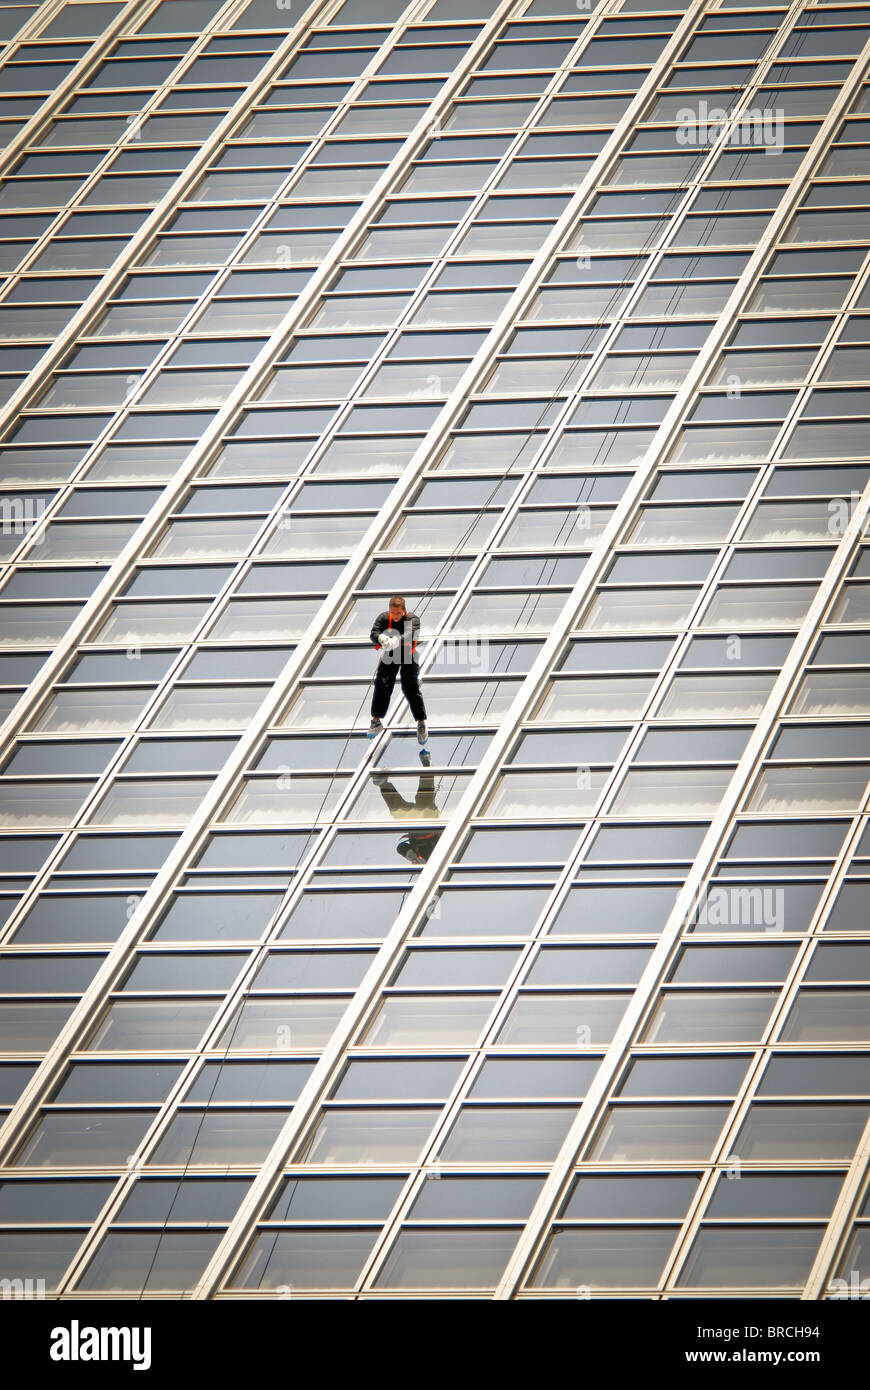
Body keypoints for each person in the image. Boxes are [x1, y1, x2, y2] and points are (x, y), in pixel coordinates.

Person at [368, 594, 429, 761]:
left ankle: (421, 722)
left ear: (404, 610)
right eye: (393, 614)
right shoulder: (383, 618)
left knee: (409, 687)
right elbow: (374, 632)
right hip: (390, 656)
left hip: (409, 655)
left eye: (398, 614)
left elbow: (410, 634)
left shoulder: (412, 619)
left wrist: (396, 640)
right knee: (382, 684)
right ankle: (376, 720)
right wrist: (379, 638)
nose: (395, 617)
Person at [372, 767, 443, 864]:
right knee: (425, 802)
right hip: (428, 825)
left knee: (398, 811)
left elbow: (401, 847)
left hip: (416, 828)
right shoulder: (439, 855)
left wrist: (412, 857)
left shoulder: (420, 858)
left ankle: (383, 784)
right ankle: (427, 768)